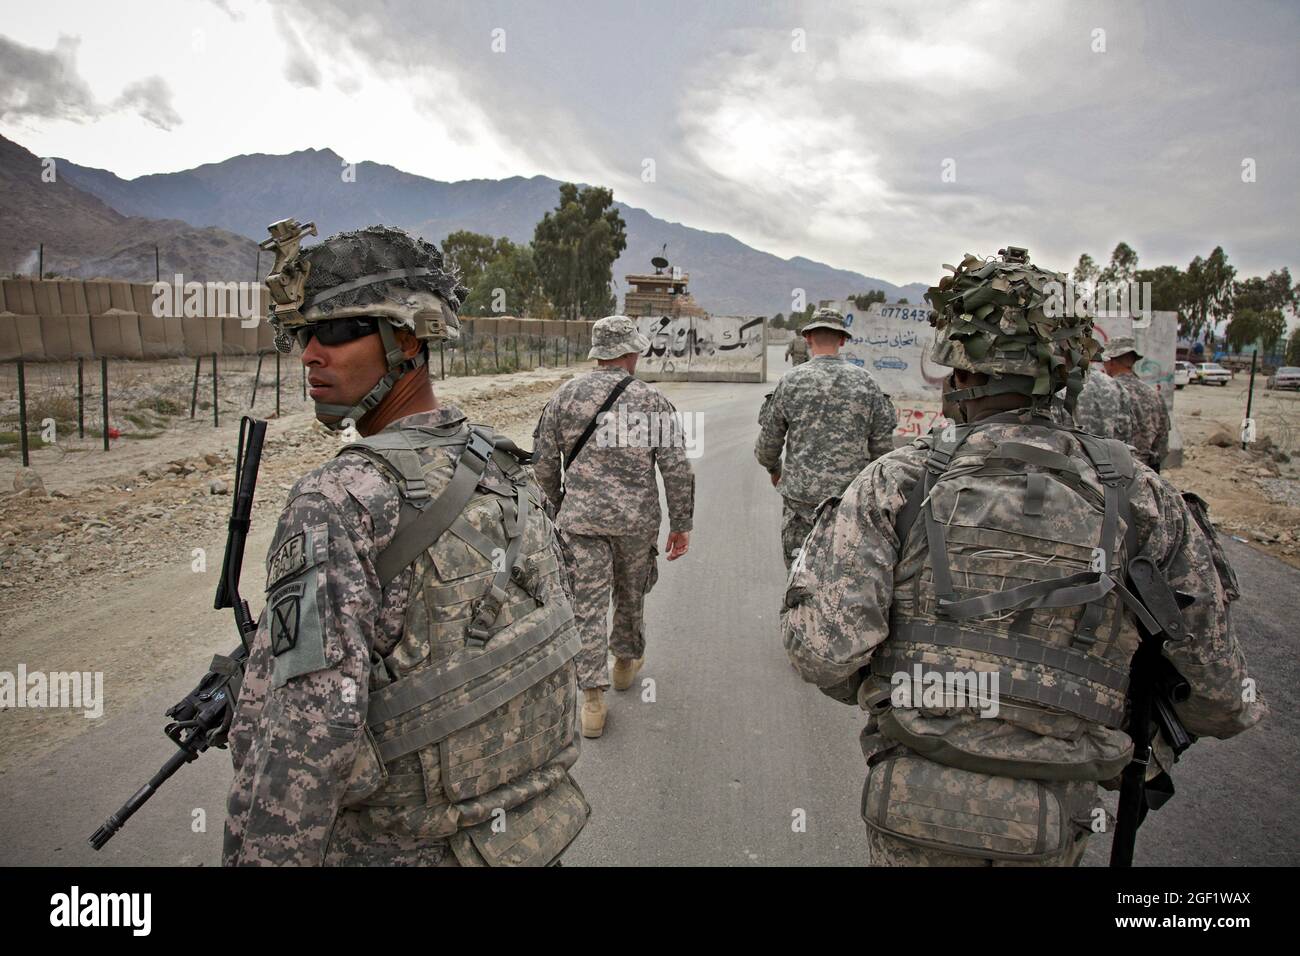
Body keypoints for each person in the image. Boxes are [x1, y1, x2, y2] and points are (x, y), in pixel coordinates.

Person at [782, 247, 1264, 866]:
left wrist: (892, 687)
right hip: (1058, 811)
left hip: (914, 800)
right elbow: (1220, 693)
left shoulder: (896, 482)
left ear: (958, 373)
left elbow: (824, 653)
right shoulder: (1143, 496)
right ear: (1069, 372)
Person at [224, 221, 588, 866]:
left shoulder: (337, 500)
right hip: (525, 838)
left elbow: (305, 743)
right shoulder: (502, 463)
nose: (311, 354)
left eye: (336, 332)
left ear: (409, 341)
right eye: (303, 334)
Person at [532, 315, 695, 739]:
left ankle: (592, 701)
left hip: (581, 521)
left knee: (586, 605)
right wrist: (681, 523)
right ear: (630, 353)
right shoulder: (652, 401)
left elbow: (544, 465)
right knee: (631, 592)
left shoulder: (565, 396)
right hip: (635, 523)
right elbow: (676, 468)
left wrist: (550, 513)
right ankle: (624, 663)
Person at [755, 307, 896, 568]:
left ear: (808, 338)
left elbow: (767, 447)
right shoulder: (867, 383)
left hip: (800, 504)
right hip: (850, 504)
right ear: (842, 340)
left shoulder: (791, 381)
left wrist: (775, 469)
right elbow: (883, 452)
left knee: (799, 577)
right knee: (844, 580)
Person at [1103, 336, 1170, 470]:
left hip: (1114, 474)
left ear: (1111, 362)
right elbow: (1162, 443)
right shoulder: (1154, 394)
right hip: (1146, 475)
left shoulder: (1105, 392)